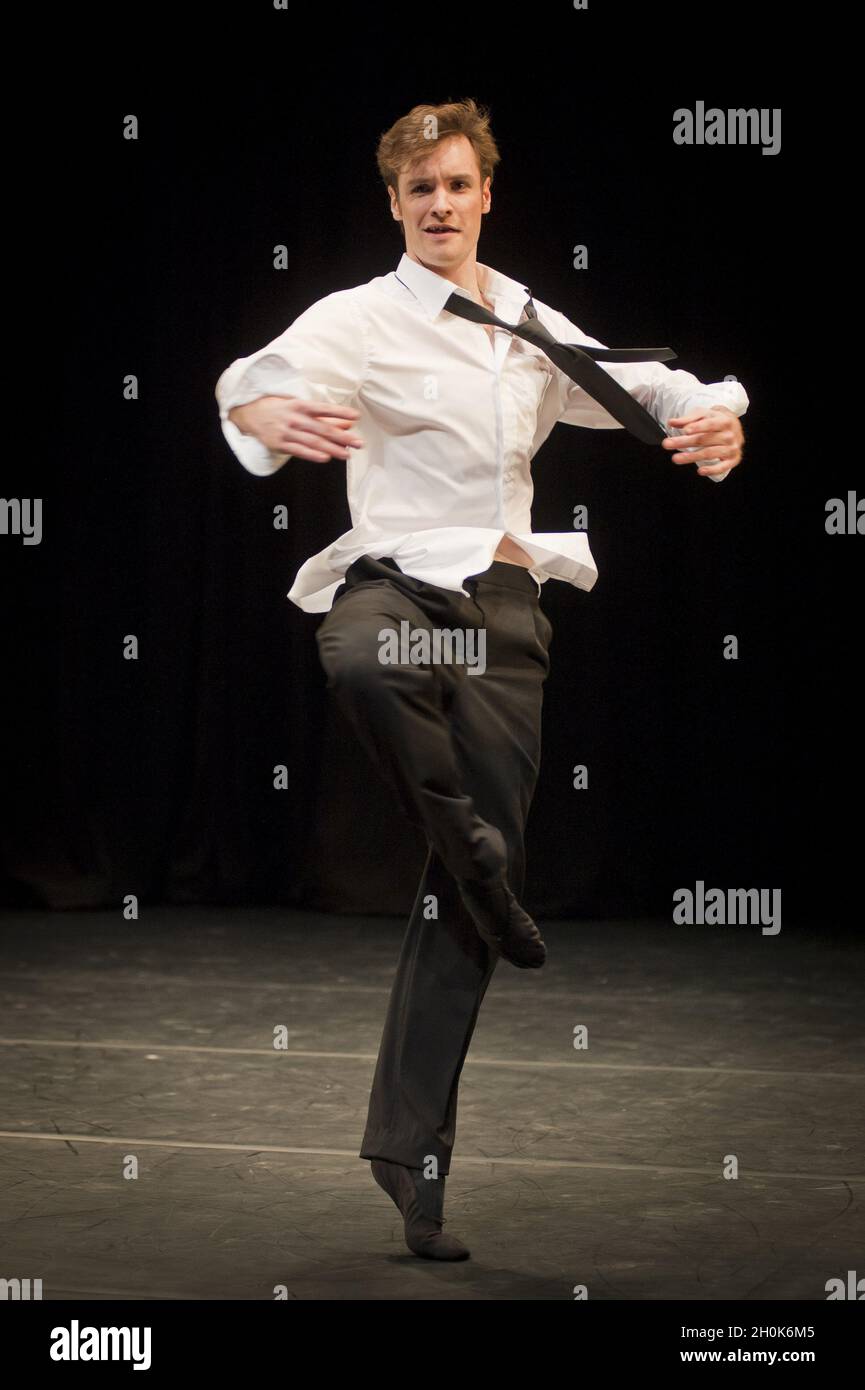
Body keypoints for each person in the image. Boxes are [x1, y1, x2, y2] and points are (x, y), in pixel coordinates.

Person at [215, 98, 747, 1262]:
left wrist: (712, 413)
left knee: (459, 906)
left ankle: (410, 1157)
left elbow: (635, 385)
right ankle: (483, 860)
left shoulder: (524, 318)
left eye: (457, 185)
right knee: (356, 657)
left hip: (501, 614)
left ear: (485, 192)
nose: (440, 206)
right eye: (419, 191)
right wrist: (258, 410)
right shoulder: (361, 318)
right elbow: (254, 381)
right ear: (394, 204)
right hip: (403, 594)